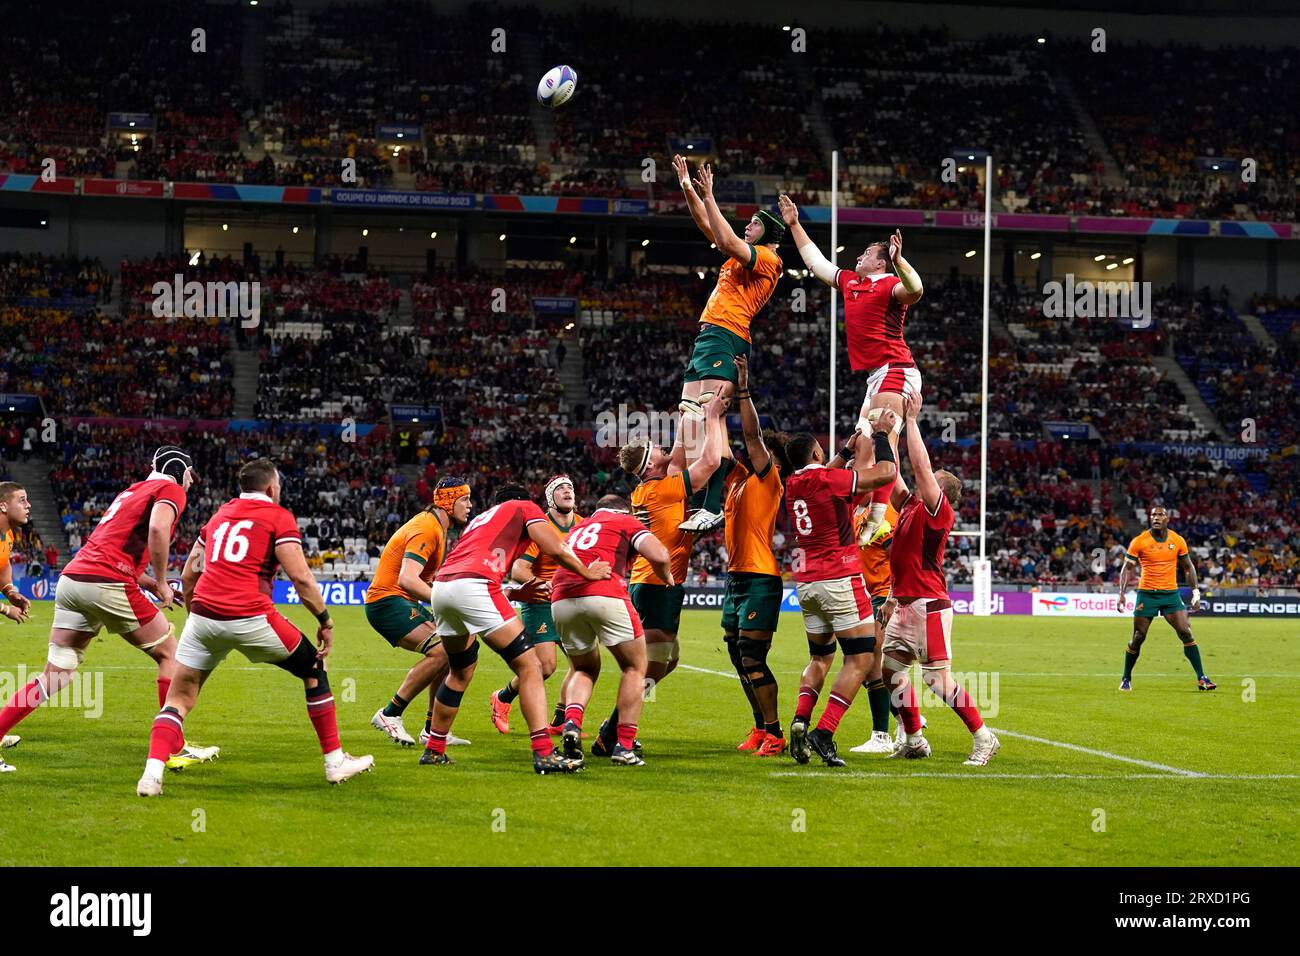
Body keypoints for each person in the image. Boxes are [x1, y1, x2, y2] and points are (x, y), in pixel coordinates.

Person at [136, 458, 373, 796]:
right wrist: (325, 621)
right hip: (252, 615)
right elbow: (302, 578)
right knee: (313, 668)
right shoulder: (278, 516)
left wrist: (195, 614)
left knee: (178, 699)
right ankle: (335, 762)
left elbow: (189, 573)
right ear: (272, 488)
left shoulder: (218, 517)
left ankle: (151, 775)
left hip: (204, 616)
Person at [0, 448, 217, 775]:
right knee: (171, 653)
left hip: (74, 579)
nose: (190, 479)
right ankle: (173, 748)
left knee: (55, 674)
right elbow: (158, 530)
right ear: (177, 469)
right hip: (106, 582)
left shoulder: (131, 491)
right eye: (189, 472)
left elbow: (111, 552)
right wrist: (159, 583)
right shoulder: (169, 489)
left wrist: (153, 582)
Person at [425, 484, 612, 774]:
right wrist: (588, 572)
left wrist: (515, 593)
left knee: (459, 672)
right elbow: (554, 547)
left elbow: (480, 561)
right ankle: (543, 753)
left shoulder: (480, 520)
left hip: (442, 588)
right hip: (475, 586)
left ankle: (434, 749)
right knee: (531, 668)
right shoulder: (524, 507)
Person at [779, 194, 924, 544]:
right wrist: (794, 224)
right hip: (875, 377)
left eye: (865, 255)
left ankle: (877, 519)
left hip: (896, 369)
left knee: (881, 439)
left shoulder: (889, 284)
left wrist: (900, 262)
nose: (857, 257)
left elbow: (916, 290)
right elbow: (816, 263)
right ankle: (873, 512)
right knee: (862, 444)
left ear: (880, 264)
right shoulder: (850, 282)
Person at [606, 390, 728, 757]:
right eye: (656, 449)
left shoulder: (651, 487)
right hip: (658, 583)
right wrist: (712, 417)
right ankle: (615, 732)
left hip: (655, 582)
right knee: (648, 664)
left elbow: (676, 456)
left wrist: (686, 411)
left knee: (667, 660)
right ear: (649, 466)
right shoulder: (661, 490)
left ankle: (614, 727)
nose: (664, 449)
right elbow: (710, 461)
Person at [885, 393, 999, 766]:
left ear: (942, 493)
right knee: (890, 672)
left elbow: (918, 467)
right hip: (904, 603)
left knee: (937, 681)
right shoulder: (912, 506)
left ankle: (984, 737)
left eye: (931, 481)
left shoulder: (938, 512)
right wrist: (888, 434)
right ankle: (915, 737)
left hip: (928, 604)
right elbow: (895, 476)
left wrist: (913, 421)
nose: (924, 481)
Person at [672, 154, 784, 532]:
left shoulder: (767, 258)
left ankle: (711, 504)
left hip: (728, 334)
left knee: (710, 415)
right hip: (710, 334)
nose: (747, 226)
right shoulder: (743, 254)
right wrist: (691, 188)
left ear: (766, 232)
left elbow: (722, 235)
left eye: (753, 223)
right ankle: (700, 497)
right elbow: (709, 227)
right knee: (689, 416)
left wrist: (711, 194)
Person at [784, 416, 899, 768]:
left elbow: (823, 474)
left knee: (819, 659)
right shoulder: (828, 479)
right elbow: (885, 474)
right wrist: (880, 435)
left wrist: (844, 451)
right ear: (817, 452)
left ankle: (802, 718)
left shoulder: (793, 483)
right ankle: (824, 732)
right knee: (861, 659)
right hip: (839, 577)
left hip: (806, 584)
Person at [551, 494, 672, 767]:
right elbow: (660, 555)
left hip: (562, 598)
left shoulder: (577, 528)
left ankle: (571, 724)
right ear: (625, 510)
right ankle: (624, 747)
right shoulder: (625, 521)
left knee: (583, 669)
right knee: (635, 668)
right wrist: (667, 577)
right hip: (604, 592)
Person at [366, 477, 474, 749]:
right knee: (442, 651)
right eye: (465, 500)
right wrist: (445, 601)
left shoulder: (435, 526)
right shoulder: (427, 528)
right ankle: (390, 713)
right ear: (448, 502)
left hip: (400, 601)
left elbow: (421, 582)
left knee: (451, 649)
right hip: (387, 601)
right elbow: (408, 579)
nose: (470, 506)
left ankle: (432, 728)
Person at [721, 357, 791, 757]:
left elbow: (751, 436)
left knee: (752, 658)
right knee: (737, 656)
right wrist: (710, 410)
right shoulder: (738, 482)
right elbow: (718, 449)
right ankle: (762, 726)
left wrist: (743, 390)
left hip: (760, 578)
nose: (752, 453)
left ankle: (776, 733)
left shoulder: (769, 478)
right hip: (736, 579)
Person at [490, 475, 582, 735]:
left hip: (571, 604)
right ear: (550, 498)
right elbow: (519, 569)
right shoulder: (538, 526)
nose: (567, 491)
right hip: (541, 603)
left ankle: (559, 721)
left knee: (582, 663)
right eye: (560, 488)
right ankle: (503, 697)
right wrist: (541, 583)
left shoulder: (584, 525)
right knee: (546, 667)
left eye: (570, 488)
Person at [1117, 506, 1214, 691]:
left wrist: (1196, 593)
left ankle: (1202, 678)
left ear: (1167, 518)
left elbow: (1188, 567)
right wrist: (1121, 594)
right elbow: (1127, 568)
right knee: (1138, 637)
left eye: (1160, 515)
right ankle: (1126, 677)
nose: (1156, 518)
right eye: (1153, 515)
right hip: (1147, 594)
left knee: (1186, 632)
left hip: (1170, 594)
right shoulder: (1139, 541)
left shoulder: (1177, 540)